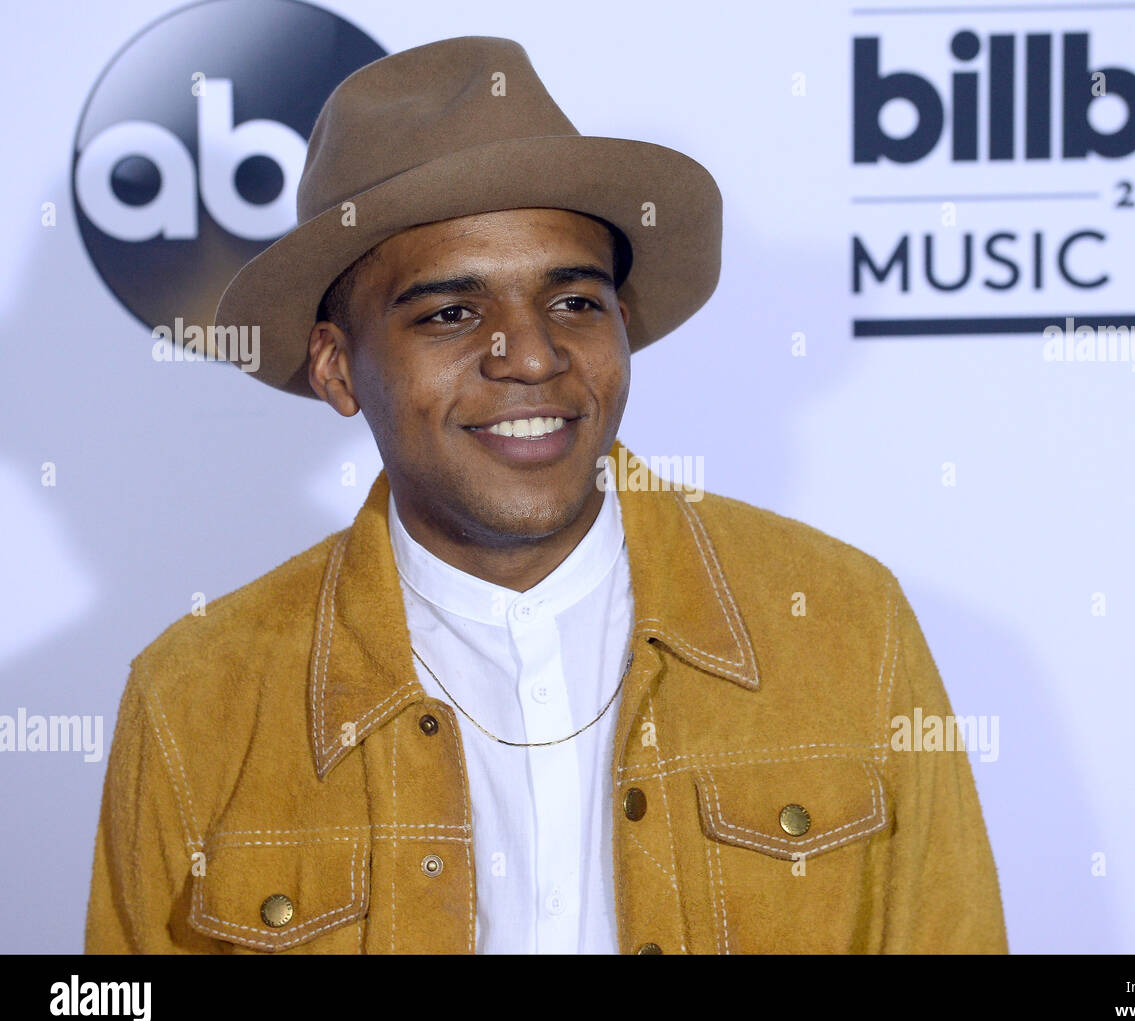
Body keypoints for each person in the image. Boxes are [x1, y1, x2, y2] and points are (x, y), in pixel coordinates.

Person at [85, 35, 1007, 954]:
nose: (531, 355)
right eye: (452, 312)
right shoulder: (194, 696)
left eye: (573, 303)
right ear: (337, 367)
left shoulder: (844, 623)